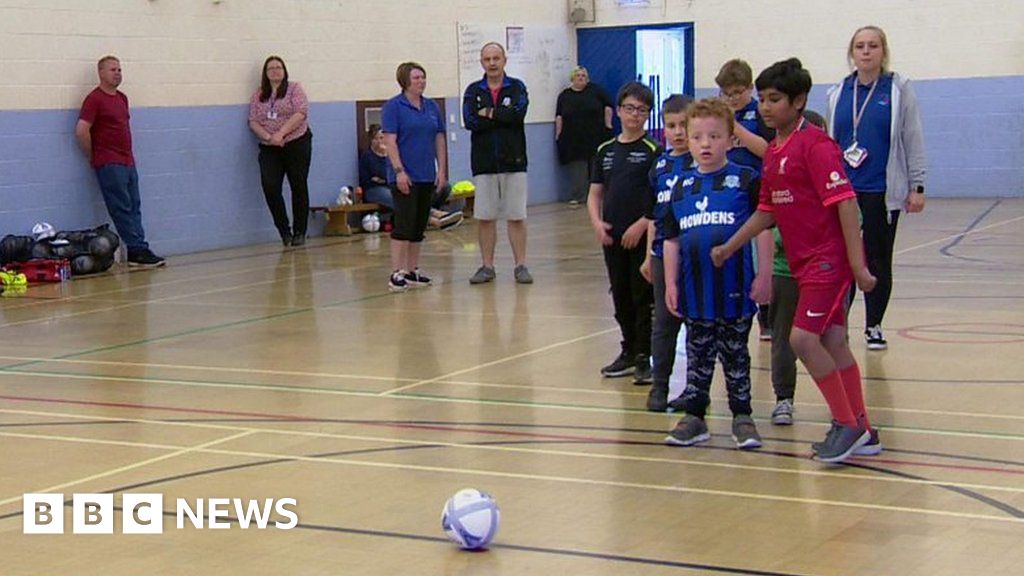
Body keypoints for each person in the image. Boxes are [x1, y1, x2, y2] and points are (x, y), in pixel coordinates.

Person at [712, 58, 880, 463]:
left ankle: (847, 425)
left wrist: (858, 267)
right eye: (763, 99)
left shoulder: (816, 145)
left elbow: (844, 204)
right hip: (803, 262)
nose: (766, 107)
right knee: (833, 340)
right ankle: (865, 428)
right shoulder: (774, 153)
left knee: (802, 339)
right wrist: (731, 245)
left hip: (828, 260)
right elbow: (767, 211)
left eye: (775, 100)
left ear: (799, 101)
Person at [660, 98, 767, 449]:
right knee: (698, 352)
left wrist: (764, 274)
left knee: (736, 353)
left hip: (735, 288)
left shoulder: (745, 180)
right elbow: (672, 239)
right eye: (698, 137)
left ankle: (742, 416)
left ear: (731, 140)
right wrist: (671, 283)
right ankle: (695, 415)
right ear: (686, 140)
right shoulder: (680, 187)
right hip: (695, 290)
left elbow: (763, 228)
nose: (705, 144)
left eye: (715, 136)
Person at [826, 25, 927, 351]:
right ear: (851, 53)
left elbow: (912, 138)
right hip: (844, 191)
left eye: (873, 46)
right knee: (842, 259)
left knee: (877, 260)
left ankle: (874, 325)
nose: (866, 51)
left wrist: (917, 184)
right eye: (860, 46)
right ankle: (838, 323)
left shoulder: (897, 89)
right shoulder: (838, 92)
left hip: (881, 191)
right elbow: (830, 144)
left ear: (883, 52)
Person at [587, 82, 661, 383]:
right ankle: (628, 349)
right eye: (629, 108)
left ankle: (644, 355)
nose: (634, 115)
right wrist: (596, 222)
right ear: (618, 111)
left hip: (642, 236)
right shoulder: (605, 150)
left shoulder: (653, 151)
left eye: (641, 110)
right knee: (620, 295)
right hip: (613, 236)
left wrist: (642, 223)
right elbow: (595, 194)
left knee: (643, 296)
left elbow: (660, 199)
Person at [768, 109, 828, 426]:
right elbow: (769, 218)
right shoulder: (780, 176)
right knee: (784, 337)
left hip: (826, 275)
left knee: (832, 338)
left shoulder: (834, 181)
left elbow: (851, 223)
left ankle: (840, 405)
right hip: (785, 269)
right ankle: (784, 398)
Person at [75, 55, 165, 267]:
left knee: (134, 205)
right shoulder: (94, 99)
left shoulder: (122, 98)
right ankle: (136, 249)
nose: (117, 73)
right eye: (113, 70)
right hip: (109, 161)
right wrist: (94, 155)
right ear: (101, 73)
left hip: (127, 161)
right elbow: (81, 130)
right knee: (121, 206)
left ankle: (139, 247)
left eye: (119, 70)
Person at [463, 42, 532, 285]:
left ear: (504, 60)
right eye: (487, 59)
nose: (492, 63)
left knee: (516, 216)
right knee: (485, 217)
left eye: (496, 58)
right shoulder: (473, 91)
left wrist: (489, 113)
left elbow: (518, 115)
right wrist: (502, 116)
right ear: (482, 62)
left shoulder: (517, 87)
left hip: (514, 161)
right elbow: (470, 120)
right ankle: (487, 266)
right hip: (484, 163)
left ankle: (521, 265)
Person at [716, 58, 776, 341]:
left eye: (737, 92)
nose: (731, 99)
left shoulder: (759, 113)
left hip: (757, 191)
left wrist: (735, 127)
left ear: (749, 88)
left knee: (761, 254)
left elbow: (766, 150)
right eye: (726, 93)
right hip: (727, 194)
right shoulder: (717, 114)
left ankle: (766, 313)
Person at [640, 94, 693, 411]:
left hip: (694, 253)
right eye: (671, 125)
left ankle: (694, 386)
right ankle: (659, 385)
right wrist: (649, 256)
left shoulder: (702, 160)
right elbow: (653, 216)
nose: (677, 132)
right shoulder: (659, 165)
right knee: (664, 321)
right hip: (663, 254)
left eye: (684, 125)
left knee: (697, 322)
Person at [380, 62, 447, 292]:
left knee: (419, 225)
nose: (421, 81)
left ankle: (412, 270)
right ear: (405, 81)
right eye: (416, 77)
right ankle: (396, 272)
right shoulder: (394, 107)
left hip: (426, 173)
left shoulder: (431, 107)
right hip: (404, 175)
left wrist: (442, 170)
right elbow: (390, 141)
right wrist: (399, 171)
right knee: (404, 222)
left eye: (423, 77)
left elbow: (439, 138)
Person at [248, 56, 312, 247]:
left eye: (279, 67)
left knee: (298, 185)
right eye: (271, 68)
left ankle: (300, 231)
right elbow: (253, 121)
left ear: (284, 71)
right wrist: (269, 137)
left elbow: (300, 113)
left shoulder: (294, 89)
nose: (275, 71)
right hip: (270, 147)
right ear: (265, 74)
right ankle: (284, 230)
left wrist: (281, 133)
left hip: (296, 142)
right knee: (270, 186)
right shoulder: (259, 95)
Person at [555, 66, 613, 207]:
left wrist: (608, 125)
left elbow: (608, 107)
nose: (581, 78)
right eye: (578, 75)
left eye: (583, 76)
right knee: (577, 168)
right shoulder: (565, 95)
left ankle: (597, 197)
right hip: (573, 137)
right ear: (572, 78)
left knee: (595, 166)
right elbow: (559, 115)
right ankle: (579, 196)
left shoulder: (596, 91)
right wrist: (558, 134)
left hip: (596, 135)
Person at [359, 124, 394, 212]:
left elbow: (390, 175)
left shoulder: (390, 155)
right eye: (376, 138)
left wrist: (385, 155)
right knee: (393, 198)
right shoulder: (367, 157)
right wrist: (383, 179)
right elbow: (369, 179)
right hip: (373, 190)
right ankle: (429, 217)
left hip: (391, 187)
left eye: (381, 138)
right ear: (371, 140)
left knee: (406, 196)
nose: (379, 141)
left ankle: (430, 213)